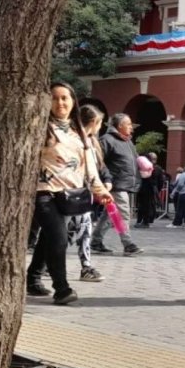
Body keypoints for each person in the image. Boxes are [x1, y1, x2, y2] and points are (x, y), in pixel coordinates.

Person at [28, 83, 112, 304]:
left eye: (65, 98)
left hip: (69, 195)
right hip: (44, 192)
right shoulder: (39, 127)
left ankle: (33, 279)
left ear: (73, 101)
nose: (60, 103)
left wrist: (100, 190)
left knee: (49, 238)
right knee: (58, 237)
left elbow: (90, 166)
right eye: (54, 98)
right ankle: (62, 289)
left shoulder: (80, 133)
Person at [68, 103, 112, 283]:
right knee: (69, 232)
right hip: (72, 191)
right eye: (100, 122)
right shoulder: (75, 141)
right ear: (94, 122)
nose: (100, 127)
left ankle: (85, 266)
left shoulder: (92, 142)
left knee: (80, 229)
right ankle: (42, 267)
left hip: (84, 194)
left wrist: (105, 182)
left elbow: (98, 168)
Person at [91, 113, 143, 256]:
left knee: (109, 215)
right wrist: (106, 180)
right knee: (123, 213)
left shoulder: (127, 141)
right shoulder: (106, 140)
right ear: (120, 126)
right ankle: (128, 244)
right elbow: (99, 162)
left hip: (124, 183)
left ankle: (95, 241)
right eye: (129, 124)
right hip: (115, 183)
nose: (131, 128)